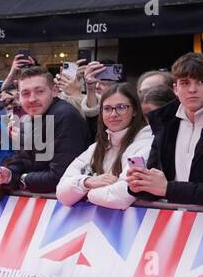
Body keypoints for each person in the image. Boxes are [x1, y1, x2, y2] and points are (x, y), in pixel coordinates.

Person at [56, 83, 149, 210]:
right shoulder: (96, 147)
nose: (113, 114)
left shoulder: (146, 143)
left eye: (121, 107)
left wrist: (88, 193)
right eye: (107, 108)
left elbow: (122, 197)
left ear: (135, 111)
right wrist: (87, 182)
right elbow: (62, 194)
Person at [129, 53, 203, 205]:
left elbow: (164, 187)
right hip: (174, 221)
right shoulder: (165, 122)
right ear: (175, 89)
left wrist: (168, 189)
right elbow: (157, 185)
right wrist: (139, 185)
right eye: (185, 83)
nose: (192, 89)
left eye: (200, 82)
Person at [3, 65, 87, 194]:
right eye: (26, 93)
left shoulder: (65, 116)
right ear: (19, 97)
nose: (32, 99)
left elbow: (61, 177)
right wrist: (7, 174)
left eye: (39, 91)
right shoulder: (29, 118)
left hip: (66, 206)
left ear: (54, 91)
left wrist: (22, 179)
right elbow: (21, 160)